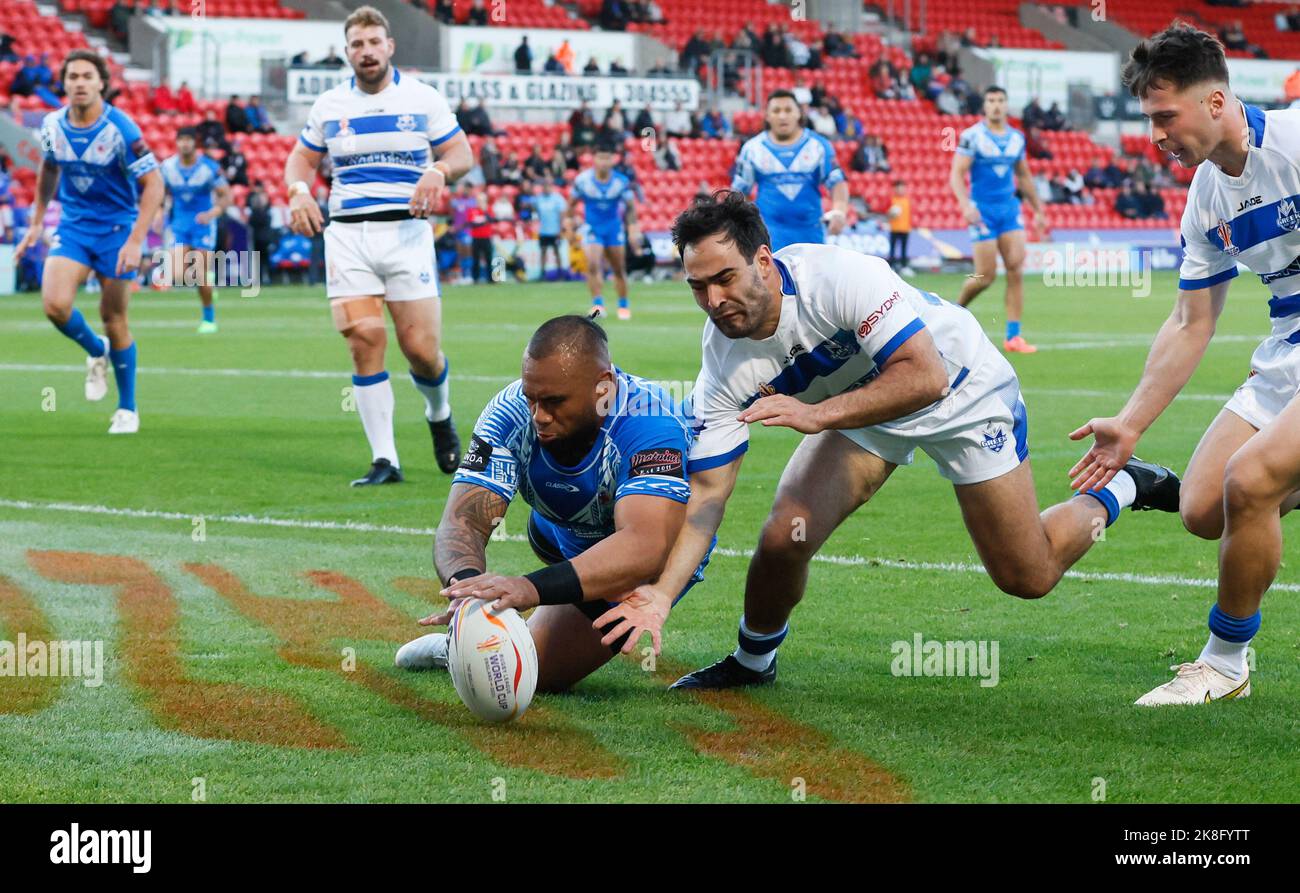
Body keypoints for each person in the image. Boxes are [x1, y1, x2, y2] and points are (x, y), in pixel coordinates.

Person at [653, 191, 1179, 690]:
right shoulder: (721, 366)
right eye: (698, 287)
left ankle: (1125, 486)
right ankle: (753, 662)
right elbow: (707, 497)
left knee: (1028, 575)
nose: (714, 301)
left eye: (724, 278)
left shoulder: (836, 277)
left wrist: (817, 415)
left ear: (764, 261)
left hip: (962, 391)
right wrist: (659, 597)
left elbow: (927, 377)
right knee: (783, 537)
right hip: (868, 409)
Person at [1071, 24, 1300, 705]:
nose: (1156, 136)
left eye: (1165, 116)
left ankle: (1224, 664)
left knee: (1251, 480)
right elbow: (1190, 322)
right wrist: (1130, 422)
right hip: (1287, 349)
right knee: (1204, 509)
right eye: (1150, 119)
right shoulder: (1206, 196)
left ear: (1217, 101)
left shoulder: (1294, 141)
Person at [394, 316, 711, 688]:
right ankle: (475, 637)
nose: (539, 416)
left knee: (531, 672)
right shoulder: (510, 411)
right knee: (531, 588)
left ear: (603, 387)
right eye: (532, 398)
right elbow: (462, 520)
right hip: (557, 531)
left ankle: (454, 650)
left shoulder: (651, 421)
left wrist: (530, 587)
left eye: (554, 402)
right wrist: (468, 592)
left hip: (646, 559)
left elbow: (646, 546)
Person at [285, 5, 473, 486]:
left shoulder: (422, 97)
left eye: (373, 42)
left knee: (421, 351)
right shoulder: (330, 105)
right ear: (347, 52)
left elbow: (461, 152)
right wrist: (299, 191)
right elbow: (300, 160)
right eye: (357, 45)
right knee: (364, 341)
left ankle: (439, 413)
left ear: (389, 46)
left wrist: (438, 170)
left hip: (407, 234)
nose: (366, 52)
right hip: (348, 236)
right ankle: (385, 459)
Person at [13, 49, 163, 435]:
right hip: (75, 228)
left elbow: (154, 184)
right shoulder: (52, 125)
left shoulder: (122, 129)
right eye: (73, 76)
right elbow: (49, 168)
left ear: (101, 84)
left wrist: (136, 241)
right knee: (55, 306)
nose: (79, 83)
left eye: (87, 76)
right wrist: (35, 223)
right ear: (64, 84)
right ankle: (97, 351)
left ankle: (127, 409)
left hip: (116, 231)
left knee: (114, 318)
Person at [949, 86, 1047, 354]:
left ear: (1006, 104)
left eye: (1000, 100)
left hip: (1009, 211)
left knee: (1016, 269)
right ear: (984, 105)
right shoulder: (972, 136)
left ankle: (1013, 337)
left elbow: (1024, 176)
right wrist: (965, 205)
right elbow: (956, 173)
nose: (996, 105)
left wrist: (1038, 210)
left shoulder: (1017, 138)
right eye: (991, 100)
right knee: (984, 276)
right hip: (982, 212)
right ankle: (953, 312)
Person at [731, 90, 848, 251]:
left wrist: (839, 211)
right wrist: (740, 222)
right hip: (768, 237)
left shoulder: (818, 146)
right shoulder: (752, 149)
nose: (782, 116)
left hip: (811, 236)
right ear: (767, 116)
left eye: (788, 110)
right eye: (776, 110)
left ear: (799, 113)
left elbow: (837, 182)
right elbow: (739, 191)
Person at [160, 127, 230, 333]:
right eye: (181, 139)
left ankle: (209, 320)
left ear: (195, 143)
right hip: (179, 225)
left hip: (203, 225)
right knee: (177, 273)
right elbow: (159, 192)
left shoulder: (209, 167)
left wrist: (213, 212)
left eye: (188, 139)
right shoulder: (167, 167)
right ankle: (208, 281)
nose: (185, 143)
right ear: (176, 143)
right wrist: (158, 213)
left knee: (200, 274)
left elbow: (226, 195)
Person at [569, 139, 637, 319]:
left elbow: (630, 207)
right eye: (600, 158)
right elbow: (571, 205)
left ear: (613, 159)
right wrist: (569, 224)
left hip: (614, 228)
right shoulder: (582, 181)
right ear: (594, 159)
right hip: (593, 228)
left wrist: (632, 228)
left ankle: (623, 305)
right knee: (592, 265)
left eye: (607, 158)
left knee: (618, 268)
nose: (604, 162)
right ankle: (598, 304)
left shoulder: (621, 181)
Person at [533, 179, 566, 279]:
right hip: (543, 231)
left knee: (557, 252)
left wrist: (560, 228)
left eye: (548, 186)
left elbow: (562, 214)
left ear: (551, 187)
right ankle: (542, 274)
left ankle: (560, 274)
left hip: (555, 231)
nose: (546, 188)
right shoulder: (539, 199)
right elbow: (537, 213)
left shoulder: (558, 199)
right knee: (543, 252)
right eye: (544, 186)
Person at [886, 179, 913, 274]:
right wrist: (891, 214)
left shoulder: (907, 200)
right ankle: (891, 267)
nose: (900, 190)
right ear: (895, 189)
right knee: (893, 249)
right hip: (894, 228)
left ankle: (904, 267)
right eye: (898, 188)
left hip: (905, 229)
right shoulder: (892, 200)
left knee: (904, 249)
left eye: (902, 188)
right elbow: (886, 214)